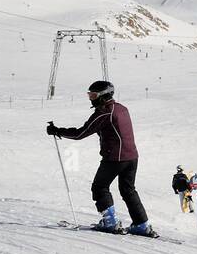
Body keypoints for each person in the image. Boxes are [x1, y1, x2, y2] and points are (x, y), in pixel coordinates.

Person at [47, 80, 154, 235]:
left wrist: (58, 131)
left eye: (93, 95)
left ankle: (110, 223)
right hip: (131, 156)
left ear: (103, 95)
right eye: (89, 94)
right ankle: (142, 225)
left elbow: (80, 133)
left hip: (115, 158)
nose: (91, 98)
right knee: (128, 190)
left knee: (99, 187)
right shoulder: (121, 108)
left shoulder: (104, 112)